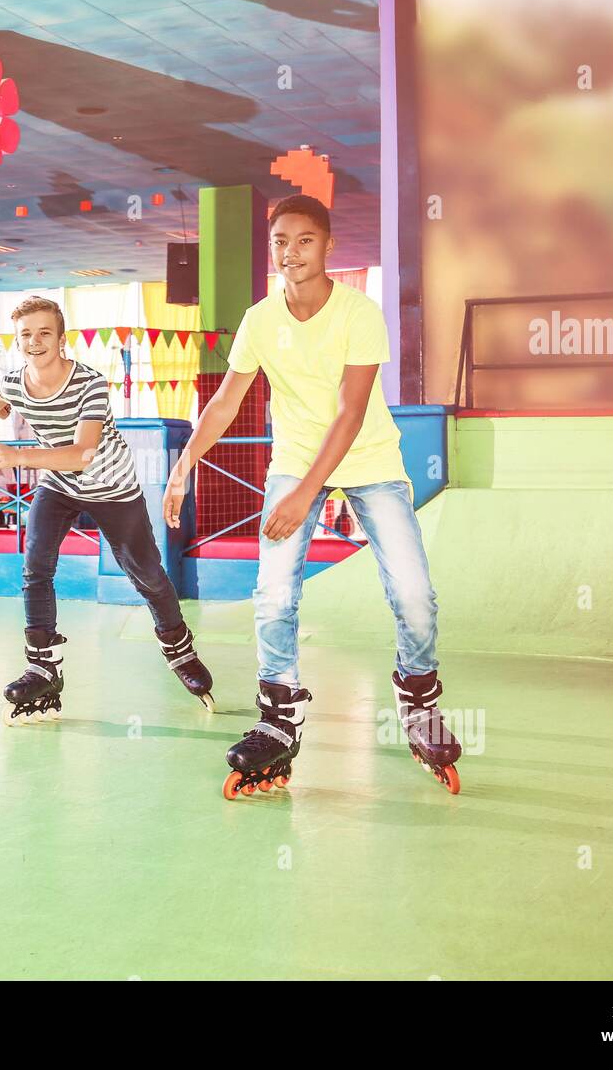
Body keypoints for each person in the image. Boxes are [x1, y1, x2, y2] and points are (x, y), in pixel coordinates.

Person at [162, 195, 461, 797]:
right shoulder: (259, 319)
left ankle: (418, 696)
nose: (289, 252)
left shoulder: (358, 312)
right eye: (279, 241)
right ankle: (278, 716)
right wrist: (185, 462)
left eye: (303, 240)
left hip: (370, 459)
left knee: (414, 594)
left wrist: (304, 496)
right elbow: (226, 400)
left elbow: (351, 413)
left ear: (327, 247)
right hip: (295, 461)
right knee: (273, 595)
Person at [0, 296, 215, 723]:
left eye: (44, 333)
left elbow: (84, 454)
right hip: (58, 484)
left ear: (61, 338)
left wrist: (18, 455)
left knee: (146, 575)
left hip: (111, 486)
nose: (35, 342)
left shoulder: (89, 383)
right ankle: (42, 665)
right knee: (36, 567)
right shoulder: (14, 381)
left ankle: (177, 646)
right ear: (17, 341)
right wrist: (0, 405)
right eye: (26, 335)